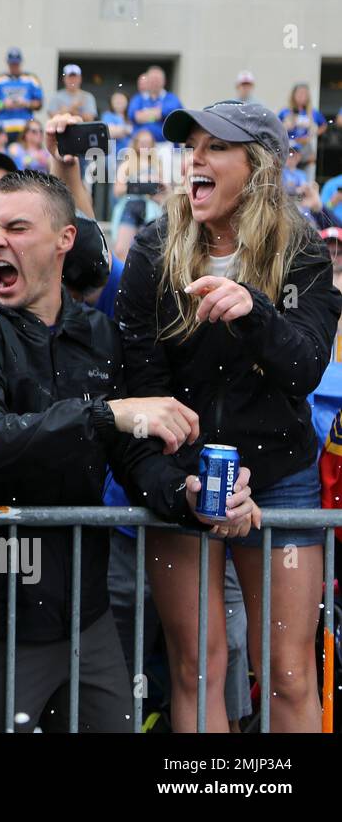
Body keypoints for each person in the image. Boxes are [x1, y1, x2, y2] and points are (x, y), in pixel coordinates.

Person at [0, 170, 236, 732]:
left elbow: (133, 454)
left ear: (64, 239)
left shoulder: (98, 333)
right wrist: (106, 414)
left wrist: (184, 493)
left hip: (86, 613)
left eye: (16, 228)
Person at [115, 101, 342, 732]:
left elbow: (303, 372)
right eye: (193, 147)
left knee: (290, 674)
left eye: (217, 147)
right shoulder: (156, 249)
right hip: (182, 476)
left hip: (281, 476)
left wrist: (255, 312)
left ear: (260, 167)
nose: (196, 159)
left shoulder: (301, 251)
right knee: (197, 667)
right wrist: (192, 483)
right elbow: (144, 387)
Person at [111, 128, 168, 260]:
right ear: (136, 144)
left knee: (148, 252)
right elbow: (117, 191)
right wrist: (138, 185)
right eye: (142, 143)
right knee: (121, 250)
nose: (145, 147)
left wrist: (159, 187)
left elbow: (162, 195)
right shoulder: (127, 164)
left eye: (148, 144)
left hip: (150, 209)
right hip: (131, 206)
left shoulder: (157, 165)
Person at [0, 47, 42, 142]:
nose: (14, 66)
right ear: (7, 63)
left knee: (24, 156)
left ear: (21, 63)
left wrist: (26, 103)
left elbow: (39, 104)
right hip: (3, 128)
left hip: (25, 128)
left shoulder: (31, 79)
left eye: (16, 63)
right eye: (12, 63)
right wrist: (3, 104)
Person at [278, 82, 327, 173]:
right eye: (300, 93)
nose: (302, 96)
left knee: (308, 169)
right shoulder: (286, 111)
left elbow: (324, 125)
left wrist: (312, 134)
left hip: (305, 148)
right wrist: (286, 126)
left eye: (305, 94)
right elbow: (276, 127)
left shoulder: (312, 112)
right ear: (293, 95)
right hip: (289, 148)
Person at [126, 65, 181, 143]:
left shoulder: (172, 98)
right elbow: (135, 116)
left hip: (165, 146)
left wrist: (145, 115)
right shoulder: (137, 99)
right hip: (141, 147)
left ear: (164, 81)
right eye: (152, 79)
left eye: (158, 79)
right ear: (147, 81)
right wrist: (157, 115)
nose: (155, 82)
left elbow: (170, 114)